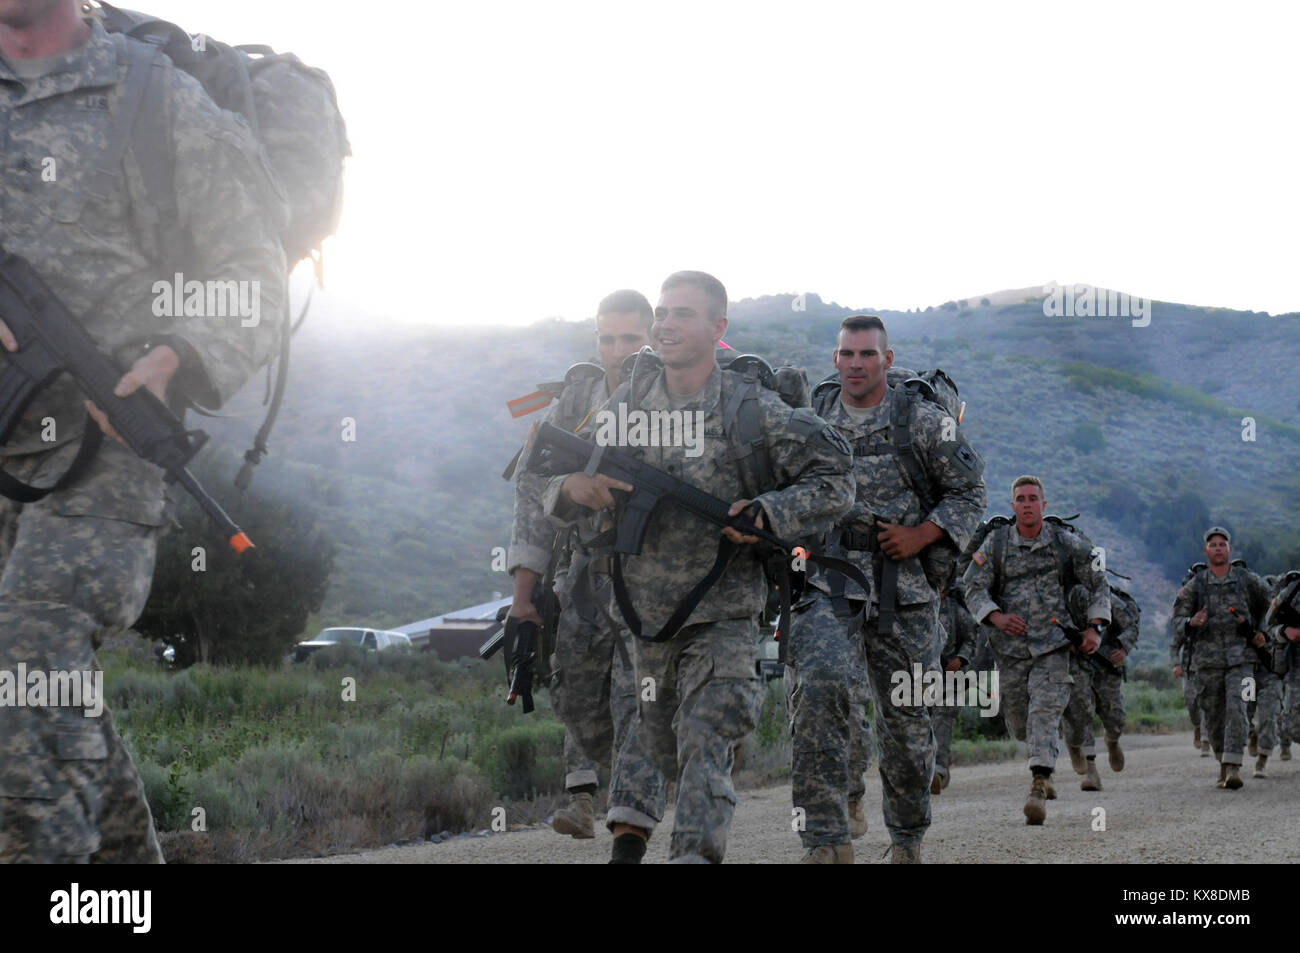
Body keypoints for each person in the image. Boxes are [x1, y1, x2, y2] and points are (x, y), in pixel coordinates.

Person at [0, 0, 287, 861]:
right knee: (47, 695)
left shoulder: (155, 96)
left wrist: (179, 355)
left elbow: (253, 272)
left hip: (108, 446)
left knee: (27, 656)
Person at [544, 270, 854, 863]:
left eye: (683, 313)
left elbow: (838, 478)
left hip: (724, 611)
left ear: (718, 328)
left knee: (707, 737)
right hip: (643, 619)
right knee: (664, 747)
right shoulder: (626, 404)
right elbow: (552, 479)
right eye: (661, 312)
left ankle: (694, 854)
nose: (665, 324)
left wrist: (769, 510)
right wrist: (571, 489)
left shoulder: (750, 411)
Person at [789, 315, 986, 863]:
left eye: (867, 355)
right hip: (827, 578)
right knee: (819, 693)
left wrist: (923, 533)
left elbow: (970, 493)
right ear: (835, 360)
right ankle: (826, 839)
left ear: (888, 359)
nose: (856, 364)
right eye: (847, 354)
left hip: (906, 590)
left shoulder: (922, 422)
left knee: (906, 720)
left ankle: (906, 840)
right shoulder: (812, 420)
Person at [506, 290, 654, 837]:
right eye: (607, 338)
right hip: (584, 568)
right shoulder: (576, 402)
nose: (618, 350)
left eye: (630, 338)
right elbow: (530, 485)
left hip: (653, 575)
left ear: (652, 335)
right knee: (571, 685)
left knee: (632, 690)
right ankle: (596, 792)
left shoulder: (675, 398)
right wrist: (524, 593)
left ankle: (622, 809)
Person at [963, 477, 1110, 824]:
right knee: (1019, 723)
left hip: (1054, 646)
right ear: (1012, 505)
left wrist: (1095, 627)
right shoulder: (996, 545)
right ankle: (1049, 756)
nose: (1027, 504)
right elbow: (972, 587)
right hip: (1010, 650)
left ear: (1044, 505)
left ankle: (1038, 784)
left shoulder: (1065, 543)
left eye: (1033, 499)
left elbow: (1098, 582)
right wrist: (996, 617)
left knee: (1044, 712)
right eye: (1020, 499)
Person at [1169, 527, 1272, 789]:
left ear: (1229, 549)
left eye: (1222, 544)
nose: (1217, 548)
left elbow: (1271, 605)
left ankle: (1234, 767)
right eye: (1213, 544)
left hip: (1243, 660)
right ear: (1206, 551)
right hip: (1207, 663)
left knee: (1238, 710)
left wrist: (1262, 633)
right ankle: (1223, 764)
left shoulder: (1248, 580)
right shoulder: (1196, 585)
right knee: (1213, 718)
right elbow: (1177, 618)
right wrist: (1191, 621)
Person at [1060, 583, 1140, 790]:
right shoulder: (1057, 593)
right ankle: (1091, 772)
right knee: (1081, 710)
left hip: (1106, 663)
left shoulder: (1104, 597)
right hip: (1075, 662)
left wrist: (1123, 648)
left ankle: (1112, 741)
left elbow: (1131, 624)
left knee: (1115, 717)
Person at [931, 571, 980, 795]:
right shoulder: (915, 609)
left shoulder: (954, 611)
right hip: (917, 676)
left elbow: (972, 637)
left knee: (942, 721)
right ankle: (922, 769)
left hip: (949, 676)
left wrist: (960, 659)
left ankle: (938, 771)